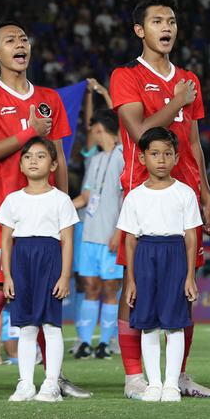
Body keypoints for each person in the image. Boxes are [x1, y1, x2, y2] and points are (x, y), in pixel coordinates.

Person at [0, 20, 87, 402]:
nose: (20, 44)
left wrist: (62, 203)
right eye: (9, 40)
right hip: (5, 216)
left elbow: (60, 158)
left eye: (23, 39)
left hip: (47, 220)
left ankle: (54, 377)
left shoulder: (48, 96)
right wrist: (29, 132)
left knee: (49, 297)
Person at [109, 0, 210, 400]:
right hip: (142, 190)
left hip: (184, 193)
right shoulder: (126, 76)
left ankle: (179, 374)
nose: (167, 28)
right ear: (140, 30)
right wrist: (176, 101)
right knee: (132, 283)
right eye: (157, 21)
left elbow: (192, 139)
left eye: (171, 20)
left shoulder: (188, 78)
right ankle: (134, 376)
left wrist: (206, 193)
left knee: (183, 284)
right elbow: (141, 134)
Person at [117, 127, 202, 403]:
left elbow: (191, 236)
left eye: (167, 154)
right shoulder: (135, 197)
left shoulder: (185, 193)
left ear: (177, 158)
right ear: (142, 158)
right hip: (145, 255)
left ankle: (171, 385)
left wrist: (190, 275)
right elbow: (130, 240)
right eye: (155, 154)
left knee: (174, 324)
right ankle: (153, 384)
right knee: (148, 324)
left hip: (174, 254)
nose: (161, 160)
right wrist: (130, 279)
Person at [0, 137, 79, 402]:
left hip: (50, 260)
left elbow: (67, 240)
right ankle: (25, 383)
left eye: (41, 156)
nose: (34, 160)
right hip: (22, 262)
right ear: (21, 165)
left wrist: (65, 276)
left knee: (52, 325)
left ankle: (51, 383)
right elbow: (6, 240)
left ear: (53, 164)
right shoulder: (12, 200)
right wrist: (7, 275)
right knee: (26, 326)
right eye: (28, 156)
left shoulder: (61, 200)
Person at [72, 111, 125, 360]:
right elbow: (85, 198)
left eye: (93, 130)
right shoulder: (95, 160)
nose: (91, 135)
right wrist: (56, 208)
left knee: (109, 290)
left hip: (110, 236)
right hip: (89, 235)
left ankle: (104, 343)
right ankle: (84, 343)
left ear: (100, 130)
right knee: (90, 287)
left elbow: (127, 198)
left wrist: (119, 232)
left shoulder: (122, 156)